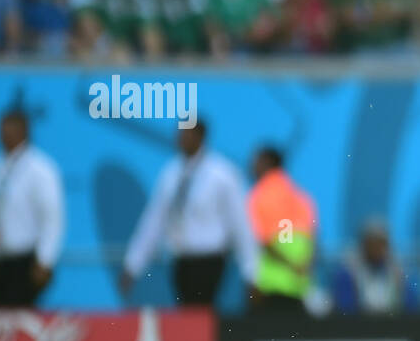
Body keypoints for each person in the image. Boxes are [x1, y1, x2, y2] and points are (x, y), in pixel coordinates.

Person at [121, 119, 258, 306]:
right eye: (180, 133)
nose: (182, 138)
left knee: (200, 312)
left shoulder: (222, 174)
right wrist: (133, 264)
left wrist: (251, 271)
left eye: (187, 134)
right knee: (186, 313)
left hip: (210, 260)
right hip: (180, 260)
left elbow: (240, 224)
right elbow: (154, 220)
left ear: (201, 136)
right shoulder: (171, 173)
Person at [0, 109, 64, 307]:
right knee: (0, 320)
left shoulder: (40, 169)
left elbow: (52, 219)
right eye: (1, 129)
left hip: (26, 261)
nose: (3, 134)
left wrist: (45, 260)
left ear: (23, 131)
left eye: (9, 129)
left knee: (21, 320)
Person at [247, 145, 316, 314]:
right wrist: (298, 267)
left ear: (268, 163)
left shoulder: (260, 195)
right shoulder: (301, 197)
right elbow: (310, 241)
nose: (252, 166)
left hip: (269, 286)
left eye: (257, 161)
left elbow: (264, 242)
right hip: (299, 285)